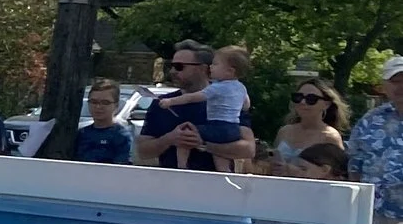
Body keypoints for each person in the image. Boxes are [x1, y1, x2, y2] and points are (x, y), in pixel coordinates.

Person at [140, 40, 251, 172]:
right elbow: (142, 151)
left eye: (179, 66)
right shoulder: (161, 103)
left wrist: (203, 145)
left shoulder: (226, 100)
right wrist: (169, 139)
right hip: (173, 184)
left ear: (203, 68)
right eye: (171, 65)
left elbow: (248, 150)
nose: (173, 71)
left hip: (215, 185)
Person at [347, 56, 403, 224]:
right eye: (395, 81)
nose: (401, 86)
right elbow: (355, 165)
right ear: (384, 86)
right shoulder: (370, 120)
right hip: (374, 215)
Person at [269, 78, 346, 176]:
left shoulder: (330, 137)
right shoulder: (284, 131)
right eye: (298, 97)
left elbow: (335, 175)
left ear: (326, 104)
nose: (303, 102)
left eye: (311, 99)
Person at [72, 79, 136, 164]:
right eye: (94, 102)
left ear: (116, 105)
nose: (98, 107)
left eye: (105, 102)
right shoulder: (81, 134)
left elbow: (122, 170)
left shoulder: (122, 136)